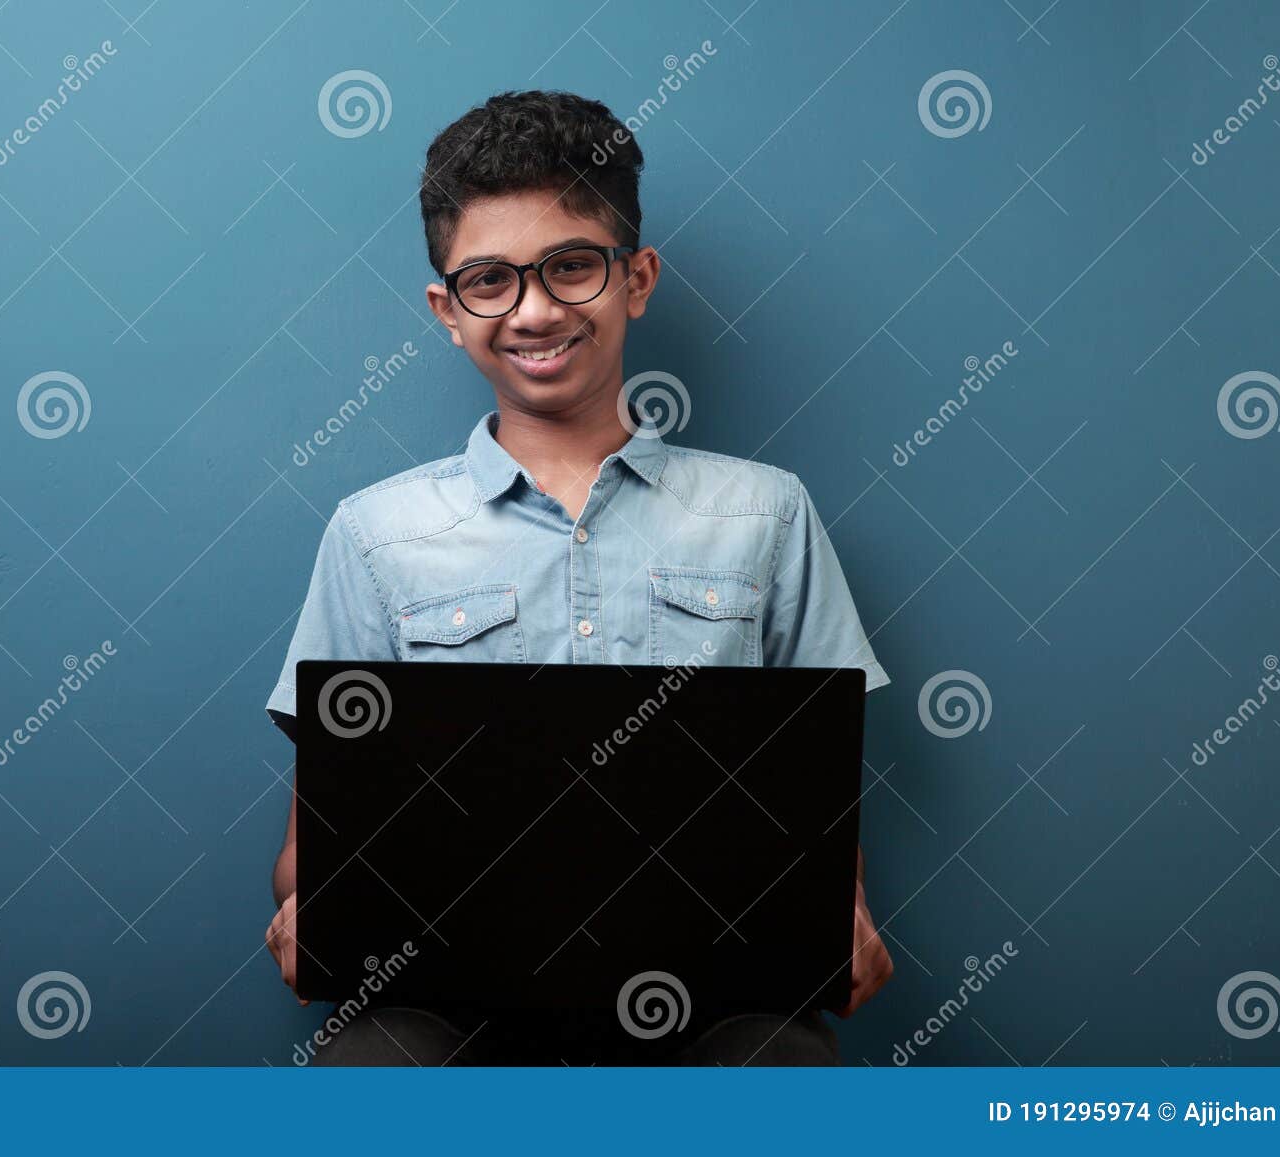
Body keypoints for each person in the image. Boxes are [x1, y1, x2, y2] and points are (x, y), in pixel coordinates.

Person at [263, 90, 892, 1065]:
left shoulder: (767, 516)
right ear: (446, 309)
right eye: (489, 280)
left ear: (634, 278)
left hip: (718, 1002)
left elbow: (815, 796)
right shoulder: (375, 533)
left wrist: (843, 912)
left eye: (570, 266)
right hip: (445, 1005)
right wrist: (305, 904)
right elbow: (319, 829)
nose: (534, 310)